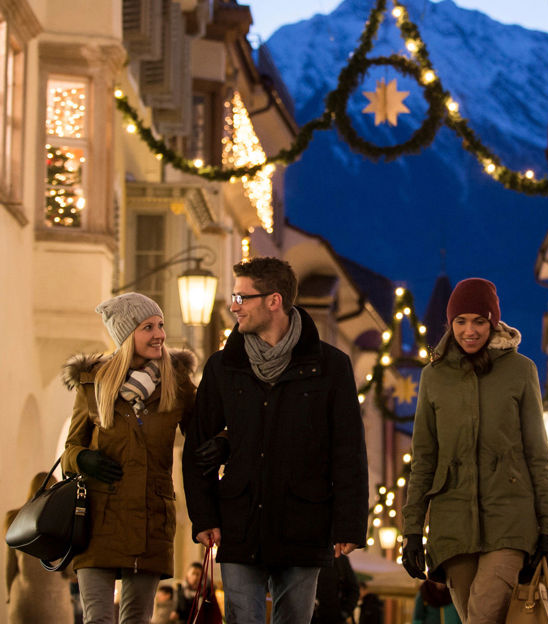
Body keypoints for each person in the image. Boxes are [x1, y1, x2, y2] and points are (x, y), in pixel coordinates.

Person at [182, 256, 369, 624]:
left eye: (242, 298)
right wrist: (203, 516)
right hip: (240, 521)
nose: (234, 306)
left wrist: (349, 524)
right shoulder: (223, 366)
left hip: (304, 522)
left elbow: (348, 451)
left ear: (273, 301)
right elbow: (196, 447)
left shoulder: (330, 366)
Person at [401, 277, 548, 623]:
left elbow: (537, 455)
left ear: (493, 322)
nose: (469, 331)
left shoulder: (521, 371)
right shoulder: (434, 376)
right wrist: (412, 530)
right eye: (461, 321)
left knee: (482, 615)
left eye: (479, 321)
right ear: (450, 323)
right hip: (452, 525)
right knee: (476, 617)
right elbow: (424, 459)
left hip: (510, 521)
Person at [61, 292, 197, 624]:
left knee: (136, 618)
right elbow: (70, 450)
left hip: (150, 520)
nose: (159, 334)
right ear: (125, 335)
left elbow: (205, 433)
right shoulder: (92, 382)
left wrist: (221, 442)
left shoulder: (177, 383)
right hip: (98, 519)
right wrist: (83, 459)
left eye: (161, 325)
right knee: (98, 619)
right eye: (147, 327)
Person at [5, 472, 74, 623]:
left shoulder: (16, 520)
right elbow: (70, 571)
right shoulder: (61, 522)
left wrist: (9, 595)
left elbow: (10, 568)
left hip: (22, 603)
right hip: (55, 605)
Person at [311, 553, 359, 623]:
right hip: (310, 616)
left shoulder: (340, 560)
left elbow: (353, 589)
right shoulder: (308, 557)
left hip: (334, 616)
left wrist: (345, 612)